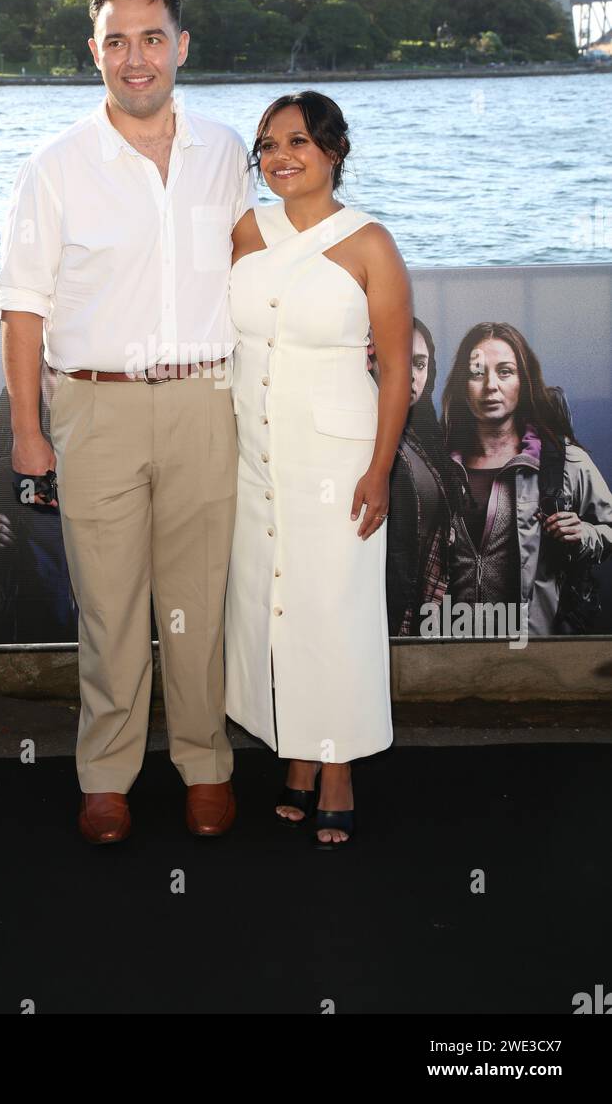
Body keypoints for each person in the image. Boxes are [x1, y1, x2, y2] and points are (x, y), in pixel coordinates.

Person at [0, 0, 259, 845]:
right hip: (94, 411)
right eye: (117, 41)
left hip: (204, 404)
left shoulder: (226, 150)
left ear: (181, 46)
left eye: (152, 39)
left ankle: (205, 763)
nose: (135, 58)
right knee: (109, 607)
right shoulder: (55, 166)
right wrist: (29, 433)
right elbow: (23, 306)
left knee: (200, 601)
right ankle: (106, 774)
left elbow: (261, 258)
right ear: (94, 51)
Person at [225, 91, 413, 847]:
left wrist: (379, 468)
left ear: (334, 150)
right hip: (252, 452)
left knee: (334, 607)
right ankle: (295, 753)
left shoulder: (369, 242)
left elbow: (396, 369)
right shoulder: (245, 229)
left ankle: (337, 767)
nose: (282, 157)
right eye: (268, 145)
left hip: (339, 454)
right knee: (273, 606)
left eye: (299, 141)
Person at [441, 322, 612, 637]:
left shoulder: (562, 462)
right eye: (477, 372)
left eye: (505, 371)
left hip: (536, 649)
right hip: (452, 649)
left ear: (524, 381)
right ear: (462, 384)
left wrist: (583, 533)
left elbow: (609, 527)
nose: (491, 385)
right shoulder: (440, 467)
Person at [382, 318, 468, 636]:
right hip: (381, 618)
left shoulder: (423, 439)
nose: (411, 375)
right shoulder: (362, 436)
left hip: (424, 621)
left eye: (419, 364)